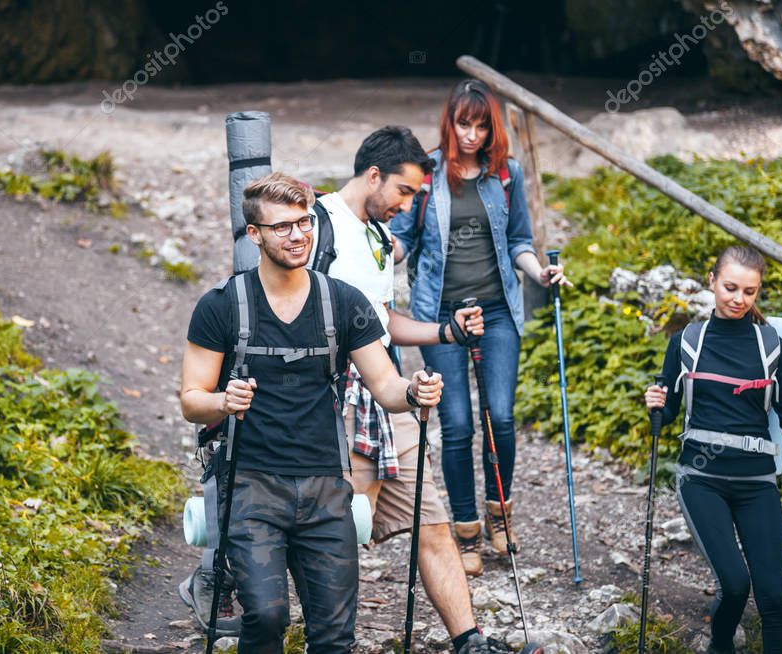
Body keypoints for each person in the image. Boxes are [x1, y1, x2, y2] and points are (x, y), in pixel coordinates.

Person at [180, 172, 443, 654]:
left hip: (326, 487)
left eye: (304, 222)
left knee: (335, 634)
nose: (298, 235)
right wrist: (223, 401)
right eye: (282, 227)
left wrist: (416, 392)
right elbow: (191, 399)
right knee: (265, 616)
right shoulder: (222, 306)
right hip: (252, 485)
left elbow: (387, 387)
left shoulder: (343, 302)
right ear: (254, 234)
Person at [314, 125, 515, 654]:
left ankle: (469, 641)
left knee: (433, 522)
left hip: (389, 393)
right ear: (373, 175)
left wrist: (446, 332)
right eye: (403, 191)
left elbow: (382, 321)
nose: (406, 206)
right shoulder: (317, 224)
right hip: (334, 402)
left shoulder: (379, 238)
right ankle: (325, 641)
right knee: (340, 533)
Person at [391, 79, 566, 575]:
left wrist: (540, 274)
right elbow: (401, 239)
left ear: (493, 129)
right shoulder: (426, 174)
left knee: (501, 417)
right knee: (457, 424)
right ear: (450, 122)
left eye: (481, 125)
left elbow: (519, 241)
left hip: (497, 310)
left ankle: (499, 514)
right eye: (463, 123)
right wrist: (376, 249)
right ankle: (466, 531)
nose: (471, 134)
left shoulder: (506, 173)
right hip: (440, 315)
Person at [644, 245, 782, 654]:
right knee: (736, 584)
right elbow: (666, 415)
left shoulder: (771, 345)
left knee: (774, 599)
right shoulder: (687, 341)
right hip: (701, 479)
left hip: (757, 482)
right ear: (712, 281)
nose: (739, 299)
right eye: (731, 288)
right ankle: (721, 644)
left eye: (750, 291)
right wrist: (656, 403)